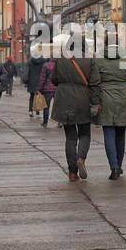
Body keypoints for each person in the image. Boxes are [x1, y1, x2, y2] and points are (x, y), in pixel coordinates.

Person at [50, 50, 101, 181]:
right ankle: (81, 157)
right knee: (84, 134)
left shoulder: (60, 58)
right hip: (82, 98)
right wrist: (95, 103)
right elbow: (95, 82)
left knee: (70, 137)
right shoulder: (89, 59)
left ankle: (72, 172)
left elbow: (54, 79)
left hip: (64, 98)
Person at [97, 42, 126, 179]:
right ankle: (119, 165)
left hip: (105, 96)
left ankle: (113, 166)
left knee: (108, 132)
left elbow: (96, 79)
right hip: (124, 96)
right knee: (121, 133)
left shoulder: (99, 59)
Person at [35, 56, 57, 126]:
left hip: (47, 89)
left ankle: (45, 122)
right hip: (57, 88)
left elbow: (42, 78)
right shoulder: (59, 65)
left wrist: (39, 89)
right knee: (58, 106)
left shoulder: (46, 65)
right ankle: (60, 123)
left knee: (46, 106)